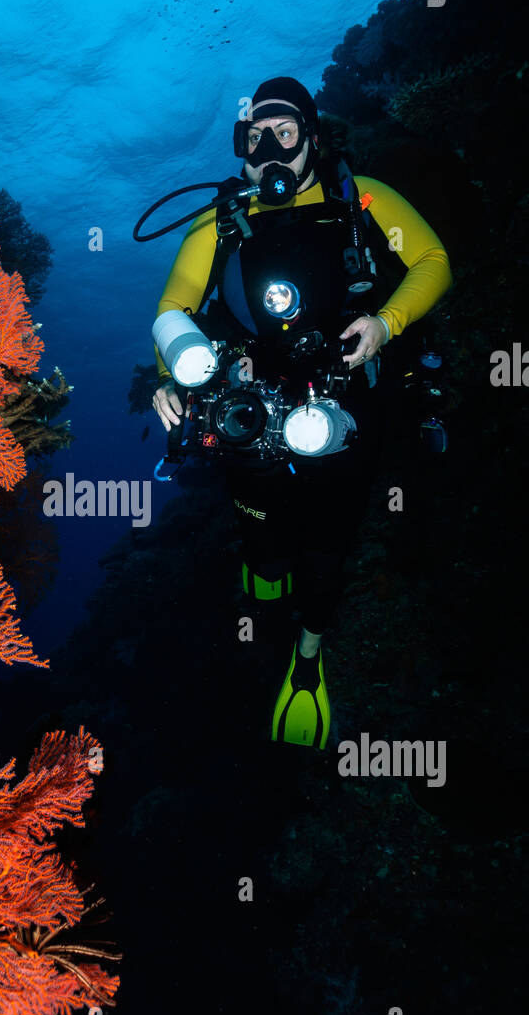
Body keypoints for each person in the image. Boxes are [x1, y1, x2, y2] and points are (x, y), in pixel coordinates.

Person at [151, 76, 452, 748]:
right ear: (242, 150)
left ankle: (308, 659)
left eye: (284, 133)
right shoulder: (217, 221)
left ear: (313, 139)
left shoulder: (361, 197)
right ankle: (262, 568)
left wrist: (384, 323)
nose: (269, 150)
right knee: (257, 535)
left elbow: (433, 260)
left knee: (331, 540)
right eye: (255, 138)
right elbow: (173, 310)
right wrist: (171, 374)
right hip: (251, 408)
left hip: (346, 401)